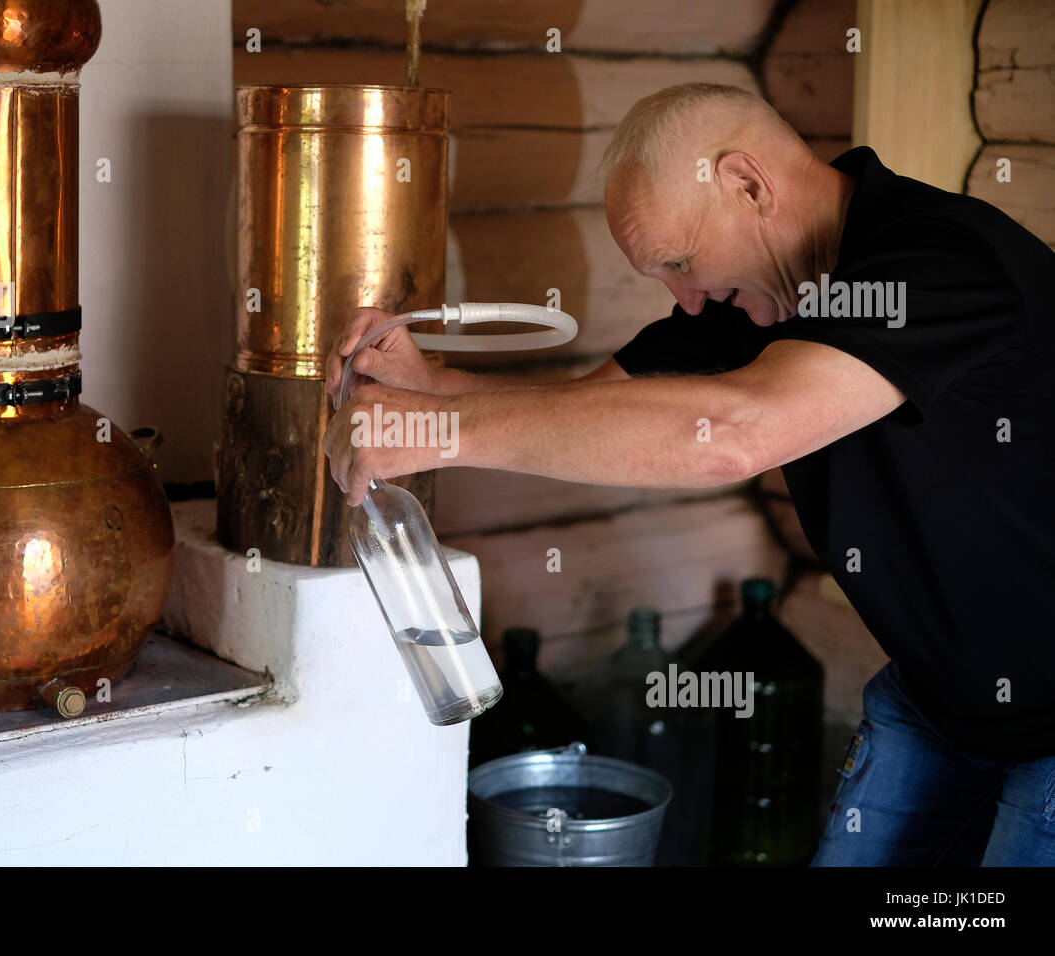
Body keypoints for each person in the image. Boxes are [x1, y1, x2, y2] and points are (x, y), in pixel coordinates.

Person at [322, 82, 1055, 866]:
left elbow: (738, 433)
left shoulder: (939, 261)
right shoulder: (758, 298)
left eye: (679, 262)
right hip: (939, 699)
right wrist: (433, 390)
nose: (686, 300)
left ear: (748, 184)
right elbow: (594, 412)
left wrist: (435, 431)